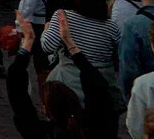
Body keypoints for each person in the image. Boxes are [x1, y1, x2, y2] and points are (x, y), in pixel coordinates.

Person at [8, 10, 117, 138]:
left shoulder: (39, 132)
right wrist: (71, 44)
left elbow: (16, 89)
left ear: (46, 110)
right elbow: (100, 90)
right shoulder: (97, 129)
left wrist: (28, 42)